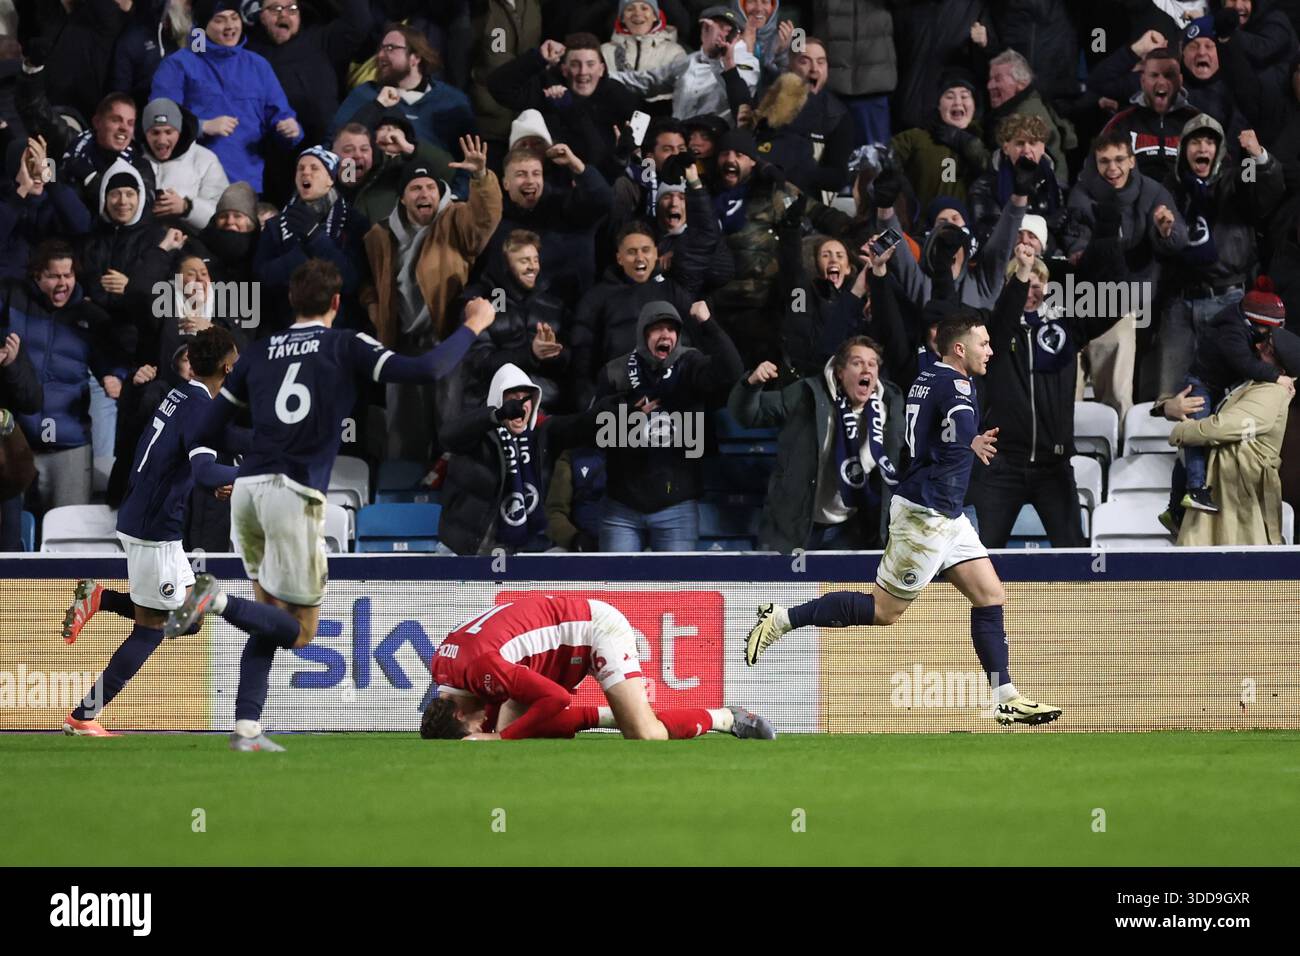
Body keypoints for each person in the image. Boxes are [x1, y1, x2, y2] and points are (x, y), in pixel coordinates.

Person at [168, 258, 495, 752]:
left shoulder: (257, 354)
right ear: (337, 303)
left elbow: (207, 430)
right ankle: (213, 600)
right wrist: (473, 324)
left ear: (291, 301)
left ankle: (247, 729)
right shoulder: (345, 344)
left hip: (248, 493)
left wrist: (264, 443)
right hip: (293, 496)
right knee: (300, 632)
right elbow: (426, 369)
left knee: (269, 618)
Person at [744, 311, 1063, 728]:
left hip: (945, 512)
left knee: (990, 596)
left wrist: (965, 439)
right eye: (983, 343)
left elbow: (940, 425)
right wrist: (973, 440)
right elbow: (961, 420)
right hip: (927, 515)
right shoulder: (958, 383)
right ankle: (782, 619)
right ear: (960, 348)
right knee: (883, 611)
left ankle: (1006, 699)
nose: (991, 350)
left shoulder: (928, 374)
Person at [59, 327, 300, 738]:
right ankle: (83, 717)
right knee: (153, 628)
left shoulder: (182, 394)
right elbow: (205, 468)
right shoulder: (200, 407)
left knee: (188, 622)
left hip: (146, 518)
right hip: (154, 528)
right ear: (228, 367)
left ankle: (101, 598)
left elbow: (197, 452)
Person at [421, 593, 776, 740]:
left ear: (455, 715)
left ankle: (726, 718)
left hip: (595, 629)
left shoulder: (482, 667)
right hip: (552, 649)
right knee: (517, 734)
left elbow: (556, 698)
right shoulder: (444, 666)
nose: (477, 724)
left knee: (645, 735)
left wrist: (496, 736)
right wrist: (500, 735)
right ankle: (607, 716)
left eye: (471, 725)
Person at [728, 333, 903, 552]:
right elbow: (747, 415)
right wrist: (751, 384)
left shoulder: (890, 407)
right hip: (797, 526)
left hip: (851, 529)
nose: (866, 369)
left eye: (872, 364)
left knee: (844, 588)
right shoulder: (805, 395)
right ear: (840, 372)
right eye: (857, 363)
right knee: (786, 586)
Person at [149, 0, 303, 194]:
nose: (230, 26)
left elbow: (280, 117)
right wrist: (202, 126)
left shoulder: (258, 66)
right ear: (204, 25)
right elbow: (159, 119)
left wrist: (291, 130)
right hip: (191, 185)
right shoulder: (178, 64)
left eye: (234, 18)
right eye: (220, 20)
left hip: (246, 185)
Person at [1164, 332, 1296, 545]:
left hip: (1239, 500)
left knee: (1236, 573)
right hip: (1218, 493)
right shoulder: (1247, 379)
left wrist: (1181, 432)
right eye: (1264, 341)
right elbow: (1198, 393)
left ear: (1281, 370)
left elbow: (1221, 427)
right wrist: (1169, 407)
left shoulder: (1271, 392)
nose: (1259, 346)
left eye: (1268, 349)